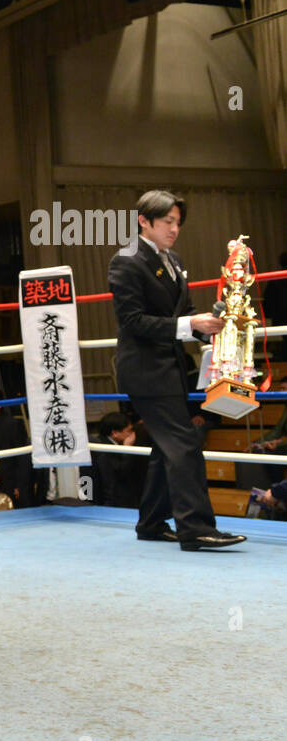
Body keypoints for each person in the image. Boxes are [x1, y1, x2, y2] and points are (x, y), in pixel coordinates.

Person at [108, 190, 246, 551]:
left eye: (177, 223)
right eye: (167, 221)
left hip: (169, 368)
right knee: (184, 443)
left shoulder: (172, 260)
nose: (174, 229)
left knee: (165, 447)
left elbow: (183, 312)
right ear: (143, 220)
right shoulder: (126, 260)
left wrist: (212, 321)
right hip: (145, 369)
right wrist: (189, 324)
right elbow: (133, 321)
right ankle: (195, 527)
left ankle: (152, 522)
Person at [91, 411, 148, 508]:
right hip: (113, 499)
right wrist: (127, 448)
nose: (132, 435)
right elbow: (121, 472)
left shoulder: (108, 442)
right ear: (115, 433)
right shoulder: (104, 448)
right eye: (129, 431)